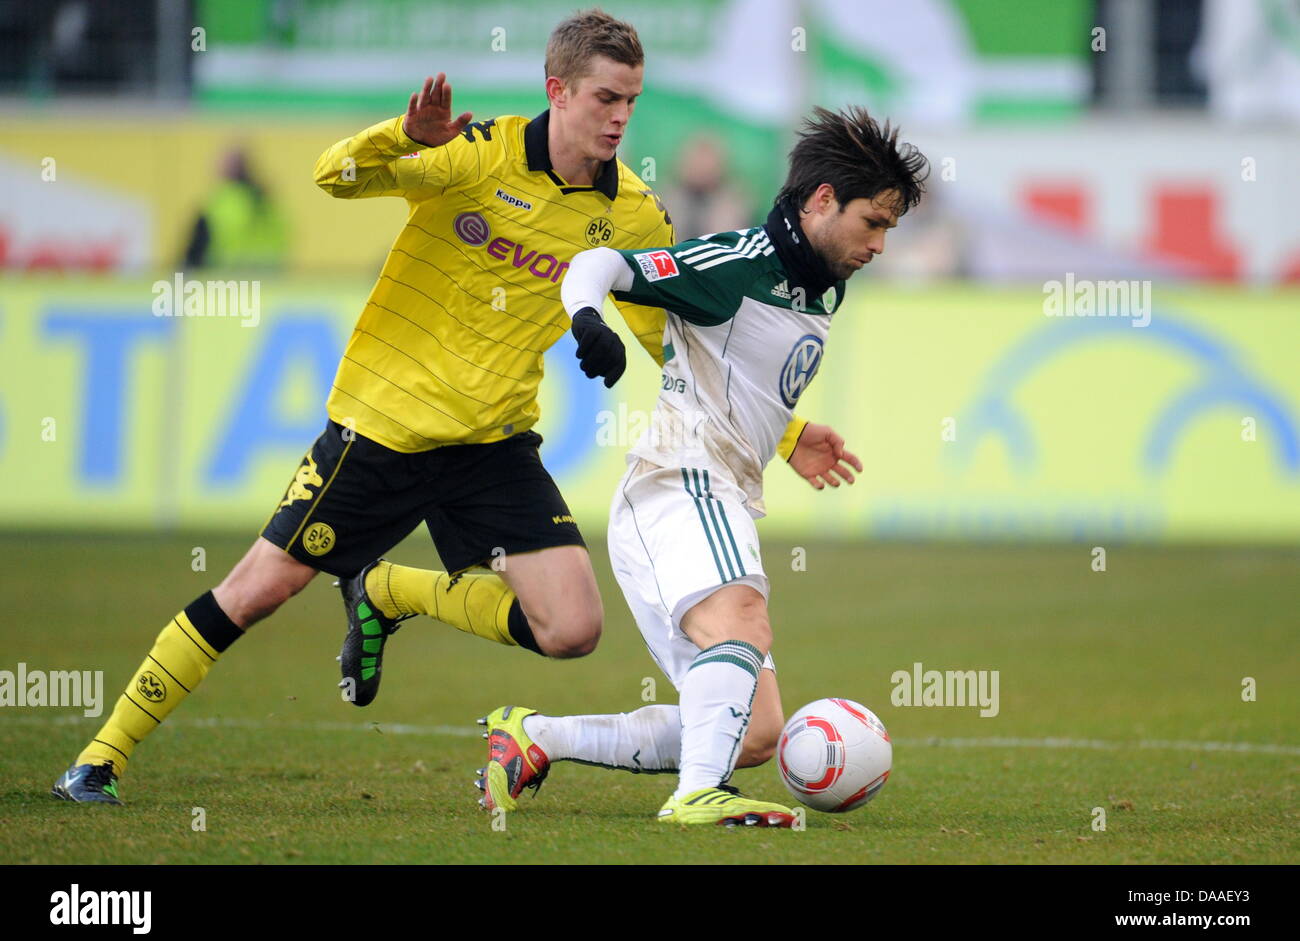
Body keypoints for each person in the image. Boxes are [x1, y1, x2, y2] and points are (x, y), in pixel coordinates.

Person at [51, 8, 685, 805]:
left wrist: (786, 427)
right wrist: (405, 140)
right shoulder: (474, 154)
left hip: (492, 444)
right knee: (257, 591)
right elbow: (334, 177)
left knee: (573, 630)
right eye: (605, 99)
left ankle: (385, 590)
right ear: (556, 90)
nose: (621, 117)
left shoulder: (633, 213)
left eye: (631, 99)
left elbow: (673, 339)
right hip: (381, 430)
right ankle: (98, 759)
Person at [477, 105, 928, 827]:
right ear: (820, 201)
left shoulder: (824, 282)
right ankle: (694, 796)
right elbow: (600, 265)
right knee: (743, 620)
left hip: (722, 496)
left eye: (889, 229)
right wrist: (587, 317)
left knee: (756, 733)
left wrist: (787, 431)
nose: (879, 244)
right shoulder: (735, 264)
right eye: (872, 223)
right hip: (680, 485)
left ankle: (535, 737)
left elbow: (738, 371)